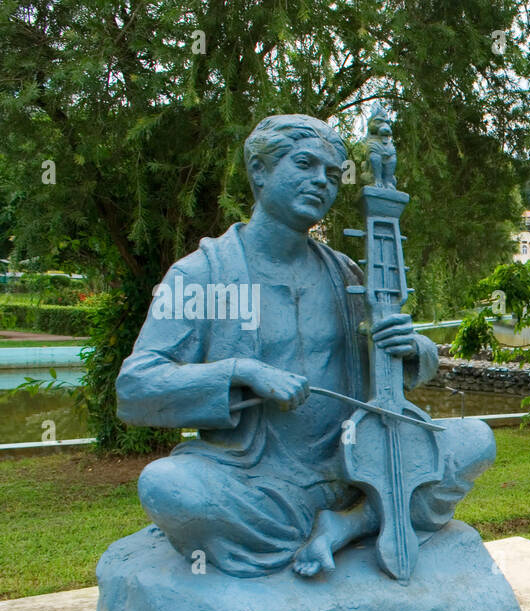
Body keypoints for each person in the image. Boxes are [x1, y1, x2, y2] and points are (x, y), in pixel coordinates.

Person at [117, 114, 495, 579]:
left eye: (333, 175)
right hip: (257, 481)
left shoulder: (346, 276)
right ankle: (363, 523)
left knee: (476, 440)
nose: (321, 182)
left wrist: (414, 349)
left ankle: (347, 523)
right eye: (304, 164)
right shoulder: (202, 276)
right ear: (259, 171)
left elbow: (385, 368)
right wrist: (240, 372)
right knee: (167, 486)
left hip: (355, 467)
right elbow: (135, 389)